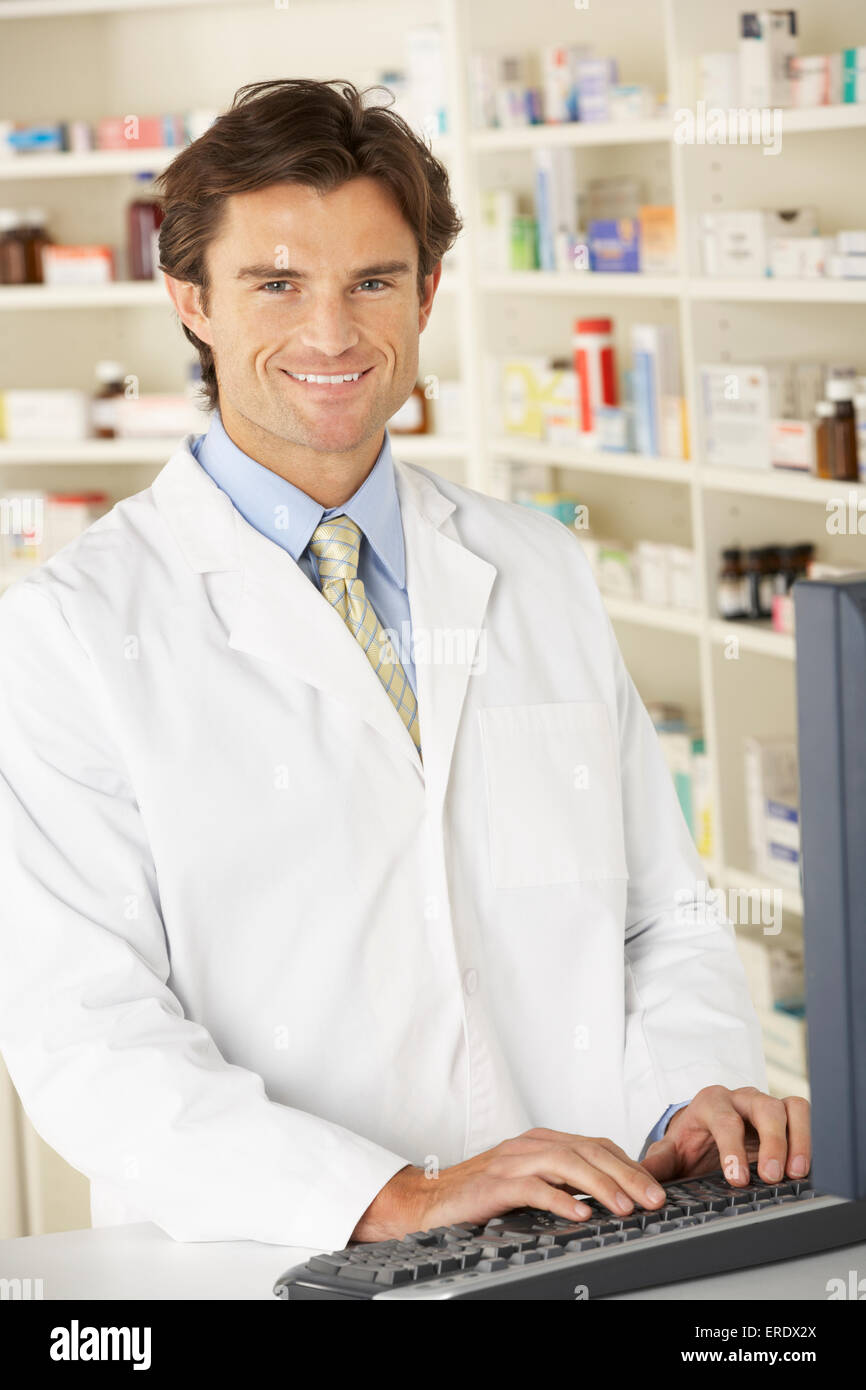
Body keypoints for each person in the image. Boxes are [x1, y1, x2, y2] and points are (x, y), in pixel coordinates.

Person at [0, 79, 809, 1252]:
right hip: (276, 1257)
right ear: (191, 300)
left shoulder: (536, 567)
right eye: (276, 283)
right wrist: (394, 1196)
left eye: (372, 281)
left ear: (426, 292)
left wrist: (689, 1091)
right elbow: (85, 1033)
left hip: (578, 1238)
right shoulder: (70, 630)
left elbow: (661, 914)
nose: (331, 333)